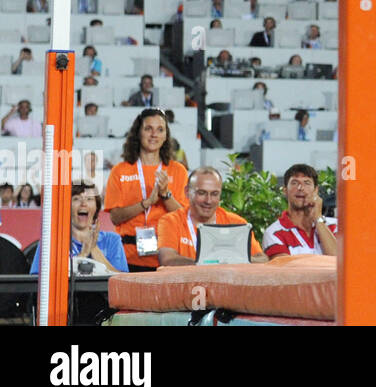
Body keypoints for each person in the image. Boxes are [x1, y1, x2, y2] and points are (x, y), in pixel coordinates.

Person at [104, 109, 188, 271]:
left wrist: (165, 195)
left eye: (160, 129)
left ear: (166, 136)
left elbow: (184, 219)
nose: (154, 134)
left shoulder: (178, 171)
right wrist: (146, 203)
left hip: (167, 258)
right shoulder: (120, 171)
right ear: (138, 133)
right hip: (128, 258)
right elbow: (115, 218)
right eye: (148, 128)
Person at [156, 167, 266, 265]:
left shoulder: (236, 223)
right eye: (202, 193)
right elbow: (167, 259)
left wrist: (237, 260)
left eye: (214, 194)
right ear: (187, 192)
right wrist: (206, 263)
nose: (208, 201)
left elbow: (263, 259)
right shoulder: (170, 221)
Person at [29, 179, 128, 275]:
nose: (83, 204)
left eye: (89, 199)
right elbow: (37, 281)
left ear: (96, 208)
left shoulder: (112, 240)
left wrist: (94, 249)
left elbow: (122, 281)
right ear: (66, 207)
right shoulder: (51, 242)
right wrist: (82, 256)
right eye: (77, 199)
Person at [261, 164, 339, 258]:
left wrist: (318, 219)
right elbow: (286, 266)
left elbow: (342, 261)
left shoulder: (336, 225)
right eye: (294, 183)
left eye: (307, 183)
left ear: (316, 190)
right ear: (285, 190)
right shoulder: (273, 232)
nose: (300, 188)